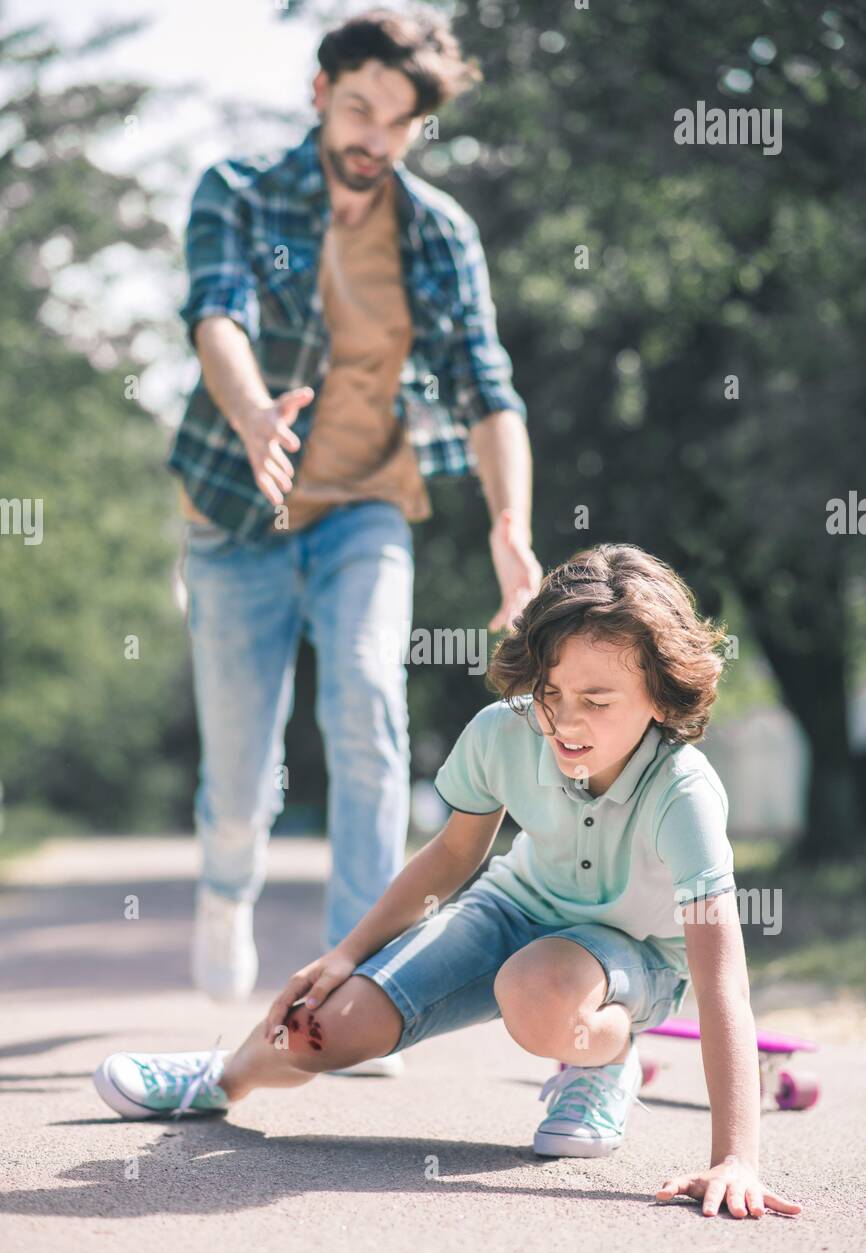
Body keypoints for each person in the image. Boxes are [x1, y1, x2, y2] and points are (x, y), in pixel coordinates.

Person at [93, 544, 802, 1220]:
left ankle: (606, 1056)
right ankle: (218, 1079)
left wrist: (735, 1157)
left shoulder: (685, 795)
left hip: (633, 958)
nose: (566, 721)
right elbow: (452, 857)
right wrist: (349, 954)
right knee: (321, 1028)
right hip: (510, 912)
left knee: (537, 989)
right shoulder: (505, 733)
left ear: (661, 694)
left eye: (598, 698)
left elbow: (722, 986)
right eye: (552, 692)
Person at [166, 5, 542, 1079]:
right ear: (321, 93)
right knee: (241, 770)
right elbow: (217, 312)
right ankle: (225, 885)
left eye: (403, 120)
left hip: (364, 509)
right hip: (236, 517)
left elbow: (487, 386)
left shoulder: (435, 231)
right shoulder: (238, 193)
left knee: (369, 706)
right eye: (363, 107)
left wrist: (509, 524)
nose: (378, 135)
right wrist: (249, 414)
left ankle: (359, 980)